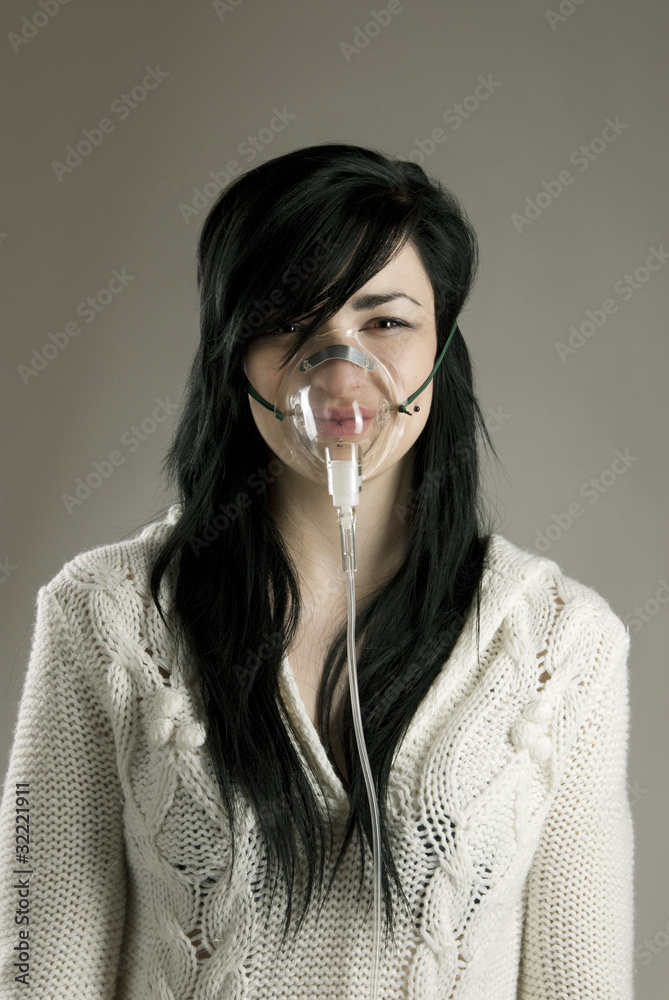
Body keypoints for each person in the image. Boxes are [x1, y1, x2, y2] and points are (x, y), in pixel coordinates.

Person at [0, 143, 633, 999]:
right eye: (292, 322)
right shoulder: (107, 619)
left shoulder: (563, 646)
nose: (341, 375)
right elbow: (42, 976)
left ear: (441, 345)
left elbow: (581, 983)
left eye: (385, 323)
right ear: (234, 358)